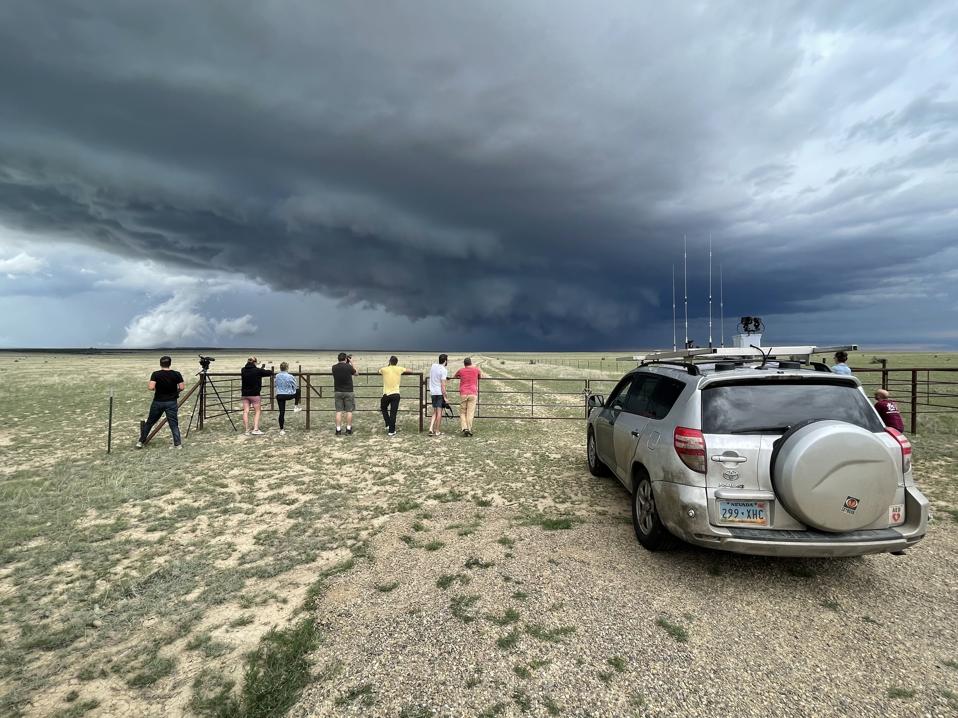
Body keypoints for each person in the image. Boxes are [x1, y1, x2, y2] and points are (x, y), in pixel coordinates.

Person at [136, 355, 185, 449]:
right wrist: (176, 392)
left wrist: (157, 389)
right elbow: (182, 387)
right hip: (171, 402)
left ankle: (140, 441)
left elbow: (151, 387)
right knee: (174, 424)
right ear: (170, 364)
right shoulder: (177, 374)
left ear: (160, 364)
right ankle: (178, 444)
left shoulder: (156, 374)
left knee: (150, 422)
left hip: (158, 401)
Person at [241, 356, 273, 435]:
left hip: (245, 394)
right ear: (255, 362)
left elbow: (252, 371)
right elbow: (269, 372)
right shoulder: (258, 370)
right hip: (255, 394)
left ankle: (246, 430)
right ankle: (255, 429)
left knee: (245, 411)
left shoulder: (243, 370)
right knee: (257, 411)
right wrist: (261, 369)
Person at [378, 356, 407, 437]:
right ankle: (391, 431)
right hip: (396, 394)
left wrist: (388, 366)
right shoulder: (399, 369)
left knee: (383, 408)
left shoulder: (384, 369)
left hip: (386, 394)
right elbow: (410, 370)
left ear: (389, 361)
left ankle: (388, 423)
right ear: (396, 362)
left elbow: (378, 371)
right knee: (393, 413)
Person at [454, 357, 482, 436]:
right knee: (470, 413)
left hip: (463, 393)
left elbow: (455, 376)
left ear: (464, 364)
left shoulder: (461, 370)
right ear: (471, 363)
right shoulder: (476, 370)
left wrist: (461, 377)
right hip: (473, 393)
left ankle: (464, 428)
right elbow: (480, 377)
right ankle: (469, 429)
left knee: (462, 412)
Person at [332, 352, 357, 436]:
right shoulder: (349, 367)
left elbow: (340, 369)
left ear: (338, 359)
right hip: (348, 391)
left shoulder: (334, 367)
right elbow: (356, 373)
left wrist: (347, 362)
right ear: (346, 359)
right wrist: (351, 363)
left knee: (338, 412)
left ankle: (338, 430)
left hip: (338, 391)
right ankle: (348, 429)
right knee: (349, 411)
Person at [275, 362, 301, 436]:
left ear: (280, 368)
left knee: (281, 412)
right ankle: (296, 406)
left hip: (280, 395)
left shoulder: (277, 376)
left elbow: (275, 384)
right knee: (298, 391)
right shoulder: (290, 376)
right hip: (289, 395)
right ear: (287, 368)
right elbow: (295, 386)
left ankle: (281, 430)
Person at [428, 354, 449, 437]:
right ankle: (437, 431)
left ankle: (430, 428)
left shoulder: (433, 366)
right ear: (445, 361)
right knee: (439, 412)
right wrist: (445, 397)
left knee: (435, 411)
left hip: (432, 392)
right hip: (439, 393)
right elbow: (443, 385)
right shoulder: (444, 370)